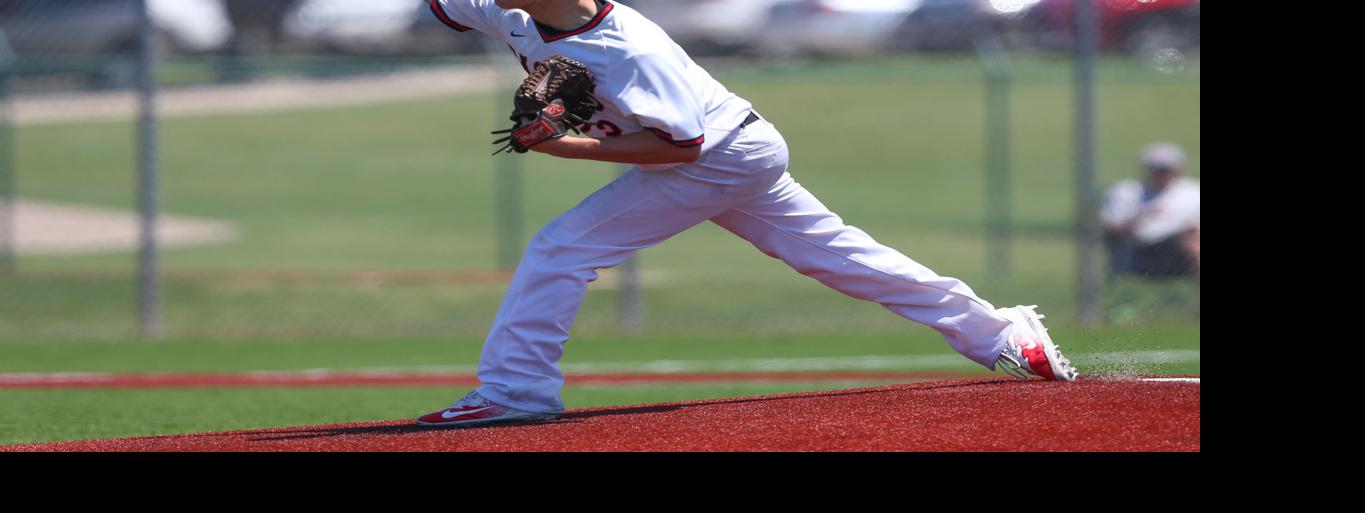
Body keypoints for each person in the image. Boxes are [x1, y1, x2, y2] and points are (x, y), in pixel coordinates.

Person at [415, 0, 1076, 428]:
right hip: (738, 147)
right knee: (838, 255)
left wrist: (565, 147)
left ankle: (519, 389)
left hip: (718, 155)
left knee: (562, 246)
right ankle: (1000, 333)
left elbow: (681, 145)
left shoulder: (627, 47)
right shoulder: (513, 12)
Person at [1100, 142, 1200, 280]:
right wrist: (1142, 216)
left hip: (1182, 251)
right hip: (1141, 250)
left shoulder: (1192, 192)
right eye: (1157, 169)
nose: (1162, 174)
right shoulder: (1128, 192)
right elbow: (1110, 228)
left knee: (1194, 234)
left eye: (1166, 169)